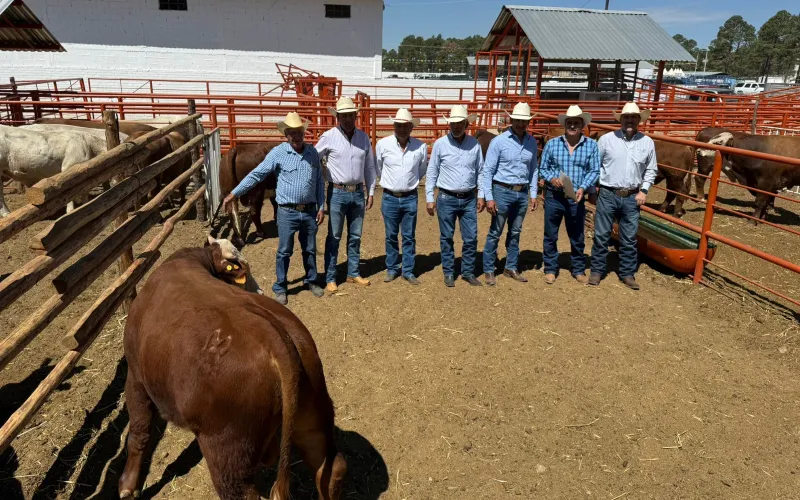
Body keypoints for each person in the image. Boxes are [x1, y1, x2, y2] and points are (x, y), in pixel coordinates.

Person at [222, 112, 325, 305]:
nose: (296, 136)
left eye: (299, 132)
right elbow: (257, 174)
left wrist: (321, 206)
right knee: (284, 250)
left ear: (304, 133)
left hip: (309, 210)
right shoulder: (278, 153)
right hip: (287, 211)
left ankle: (311, 280)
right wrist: (234, 193)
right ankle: (281, 286)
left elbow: (319, 181)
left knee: (309, 249)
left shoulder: (312, 153)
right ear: (286, 134)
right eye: (292, 133)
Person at [589, 102, 658, 290]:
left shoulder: (647, 142)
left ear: (639, 120)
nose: (629, 120)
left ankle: (627, 273)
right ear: (621, 120)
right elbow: (595, 165)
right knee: (602, 234)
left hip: (632, 195)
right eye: (626, 117)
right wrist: (593, 188)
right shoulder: (606, 140)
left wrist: (644, 190)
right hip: (608, 192)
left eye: (633, 117)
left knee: (629, 237)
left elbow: (651, 169)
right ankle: (596, 270)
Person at [315, 96, 377, 292]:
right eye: (344, 115)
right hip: (337, 192)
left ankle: (353, 272)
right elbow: (313, 157)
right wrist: (323, 175)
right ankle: (331, 277)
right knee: (334, 236)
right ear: (338, 117)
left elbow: (369, 166)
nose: (348, 119)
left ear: (355, 115)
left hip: (358, 192)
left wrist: (371, 190)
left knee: (355, 236)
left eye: (351, 115)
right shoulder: (329, 136)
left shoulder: (363, 138)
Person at [538, 105, 600, 285]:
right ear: (565, 125)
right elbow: (543, 168)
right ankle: (550, 268)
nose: (572, 126)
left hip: (576, 196)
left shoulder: (591, 146)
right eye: (569, 123)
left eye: (576, 123)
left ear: (582, 125)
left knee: (577, 234)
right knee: (551, 233)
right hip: (554, 195)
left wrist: (583, 187)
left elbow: (594, 171)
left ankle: (578, 269)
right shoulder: (552, 144)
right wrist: (552, 178)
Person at [479, 102, 539, 286]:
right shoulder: (499, 141)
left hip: (521, 192)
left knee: (515, 231)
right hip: (502, 190)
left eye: (524, 121)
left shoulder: (531, 142)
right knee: (495, 231)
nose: (521, 124)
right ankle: (489, 269)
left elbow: (533, 169)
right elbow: (487, 170)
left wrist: (533, 193)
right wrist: (489, 197)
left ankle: (510, 266)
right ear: (511, 120)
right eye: (518, 120)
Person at [426, 104, 485, 287]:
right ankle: (449, 272)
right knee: (446, 237)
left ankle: (467, 271)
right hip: (446, 197)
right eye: (453, 123)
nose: (456, 126)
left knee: (471, 237)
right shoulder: (440, 144)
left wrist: (481, 194)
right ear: (449, 124)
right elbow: (432, 171)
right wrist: (429, 197)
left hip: (468, 197)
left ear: (466, 123)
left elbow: (481, 172)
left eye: (460, 123)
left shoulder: (474, 145)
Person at [375, 108, 428, 285]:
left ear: (411, 127)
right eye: (399, 125)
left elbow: (421, 170)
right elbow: (379, 168)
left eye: (405, 126)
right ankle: (392, 268)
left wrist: (408, 182)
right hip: (390, 196)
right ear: (394, 126)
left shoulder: (420, 147)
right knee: (390, 235)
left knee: (408, 235)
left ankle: (408, 270)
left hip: (410, 197)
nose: (402, 129)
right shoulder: (383, 145)